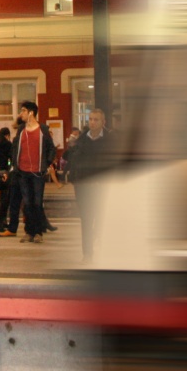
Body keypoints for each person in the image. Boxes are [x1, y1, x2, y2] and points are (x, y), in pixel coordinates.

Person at [66, 108, 116, 261]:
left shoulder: (110, 140)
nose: (93, 122)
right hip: (84, 187)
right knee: (86, 219)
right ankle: (87, 254)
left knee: (102, 218)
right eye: (91, 119)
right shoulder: (81, 140)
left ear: (103, 122)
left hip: (102, 186)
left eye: (96, 120)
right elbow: (72, 161)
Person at [5, 101, 56, 244]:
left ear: (31, 113)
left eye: (23, 111)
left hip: (38, 173)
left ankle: (38, 232)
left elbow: (51, 148)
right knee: (27, 203)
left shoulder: (43, 130)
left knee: (37, 203)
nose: (21, 114)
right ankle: (29, 232)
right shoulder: (21, 129)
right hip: (22, 172)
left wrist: (46, 163)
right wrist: (15, 164)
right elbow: (15, 148)